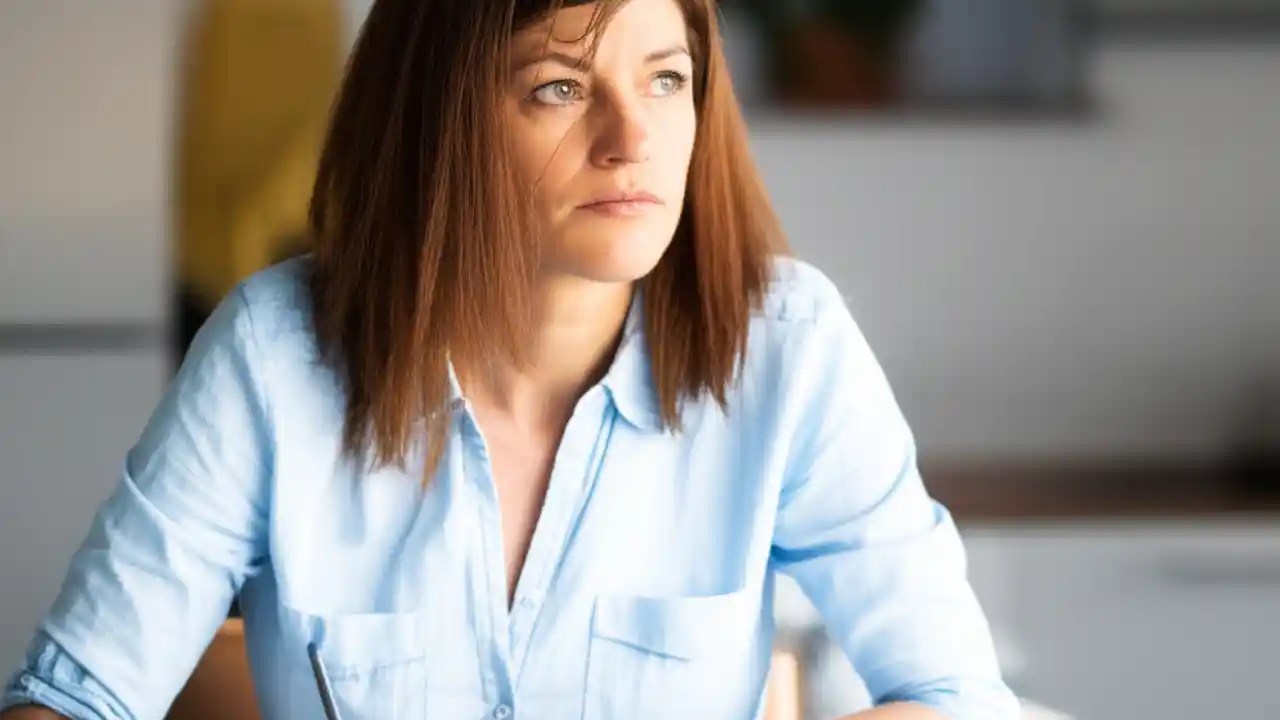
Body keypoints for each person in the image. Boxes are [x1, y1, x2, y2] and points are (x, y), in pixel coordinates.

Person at [1, 1, 1019, 718]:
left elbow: (953, 696)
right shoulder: (270, 358)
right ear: (440, 118)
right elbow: (74, 698)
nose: (631, 139)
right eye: (558, 87)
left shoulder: (788, 351)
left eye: (665, 78)